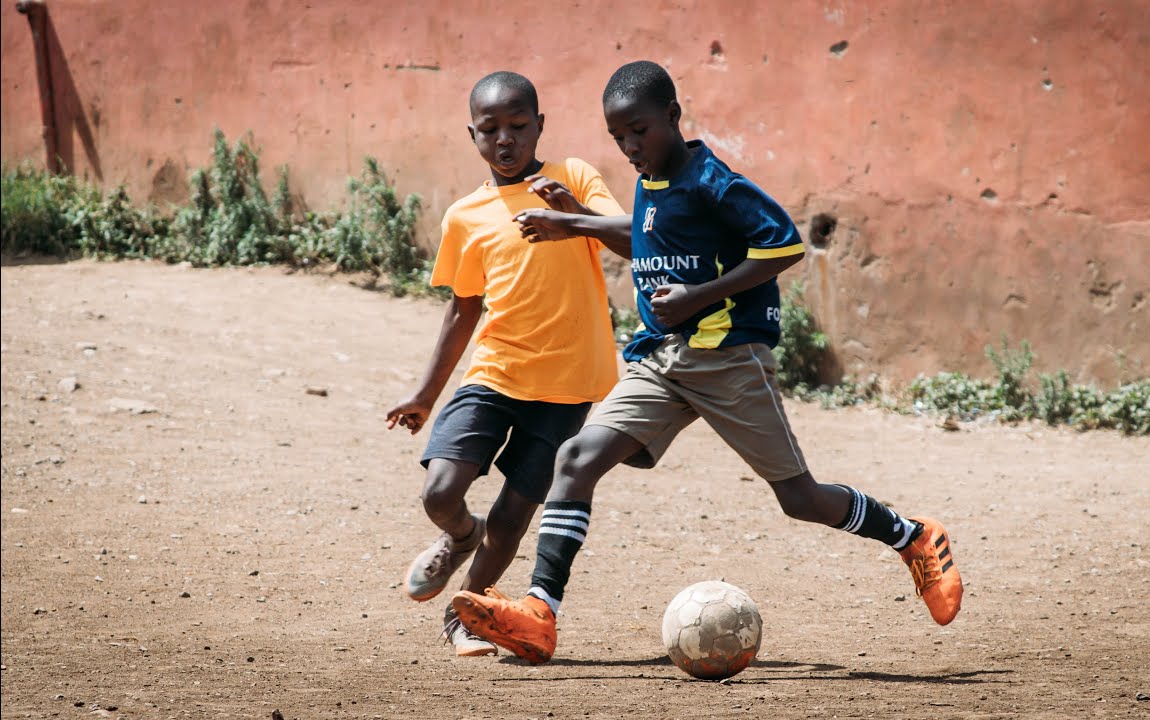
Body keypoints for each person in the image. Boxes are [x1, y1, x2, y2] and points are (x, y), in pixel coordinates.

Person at [451, 61, 963, 664]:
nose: (630, 147)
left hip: (729, 359)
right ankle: (541, 612)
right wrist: (572, 222)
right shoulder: (651, 181)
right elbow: (643, 236)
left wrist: (698, 295)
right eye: (619, 138)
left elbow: (784, 245)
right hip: (661, 360)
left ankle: (913, 537)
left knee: (799, 498)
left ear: (673, 116)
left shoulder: (713, 181)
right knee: (577, 458)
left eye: (639, 131)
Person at [385, 70, 629, 657]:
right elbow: (461, 310)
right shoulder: (466, 216)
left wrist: (572, 215)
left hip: (568, 386)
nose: (505, 139)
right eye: (490, 129)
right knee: (440, 492)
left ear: (540, 126)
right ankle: (460, 534)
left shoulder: (572, 178)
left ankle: (469, 616)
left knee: (516, 510)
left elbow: (629, 236)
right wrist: (424, 393)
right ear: (472, 135)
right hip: (495, 371)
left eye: (519, 126)